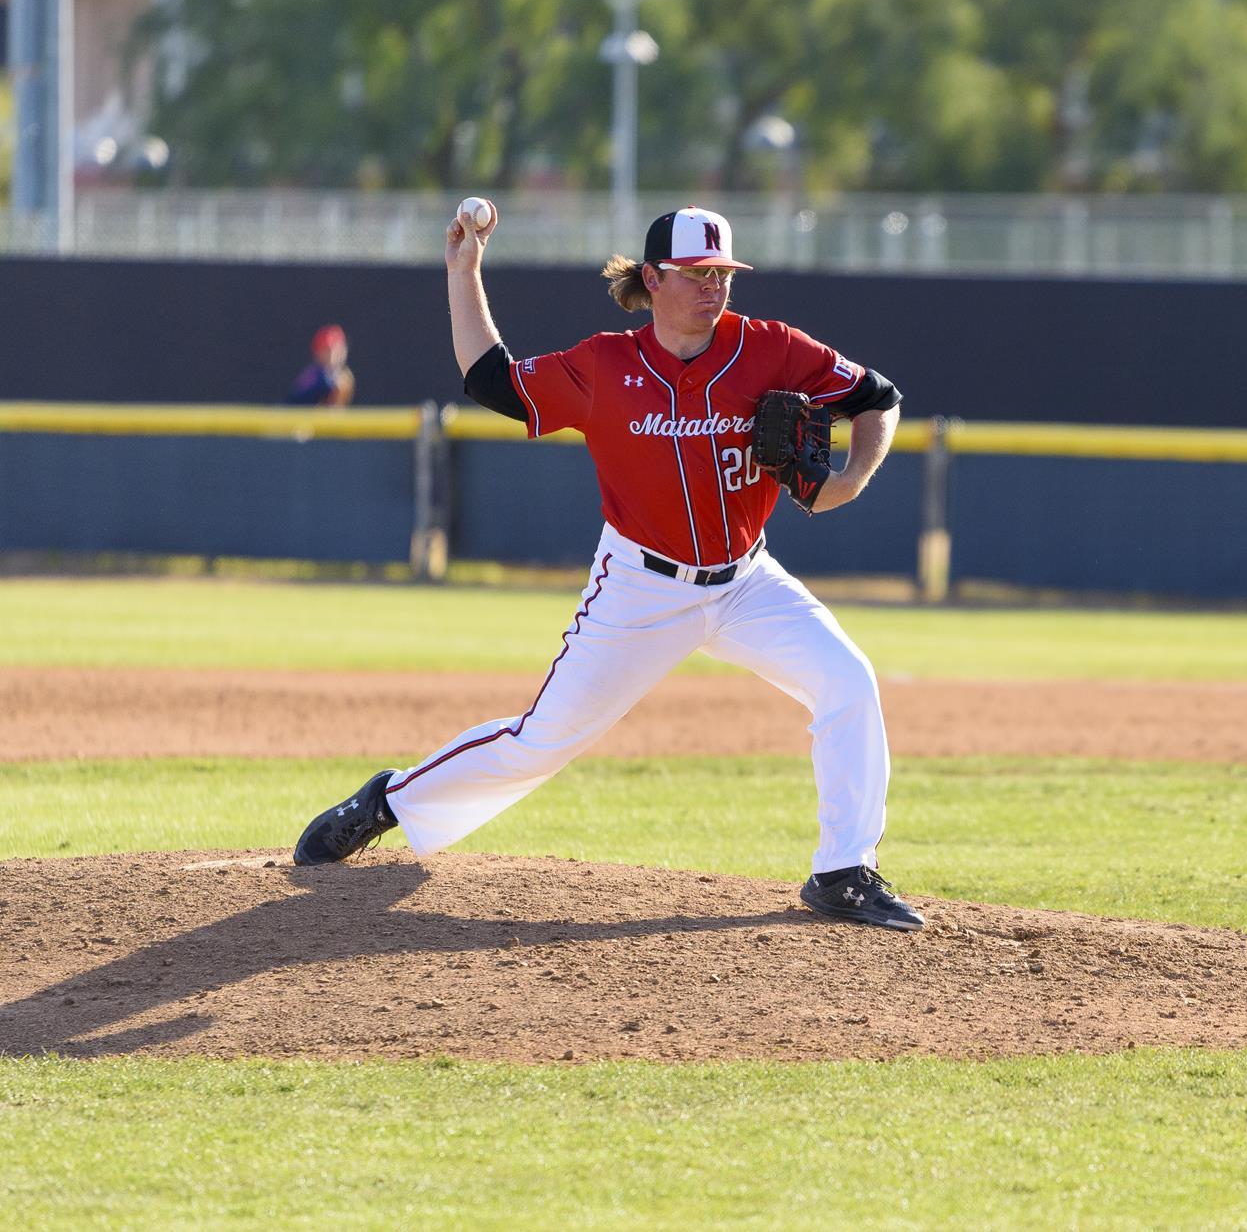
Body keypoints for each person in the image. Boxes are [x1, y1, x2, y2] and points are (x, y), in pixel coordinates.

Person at [292, 201, 924, 930]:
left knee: (847, 681)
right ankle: (387, 801)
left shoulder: (771, 347)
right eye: (695, 274)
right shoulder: (605, 365)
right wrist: (463, 272)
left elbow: (878, 398)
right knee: (540, 742)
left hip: (747, 580)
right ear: (653, 279)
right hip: (640, 587)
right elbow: (492, 381)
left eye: (723, 272)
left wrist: (850, 479)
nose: (714, 286)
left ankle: (843, 870)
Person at [283, 324, 355, 406]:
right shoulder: (315, 375)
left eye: (337, 348)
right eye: (327, 350)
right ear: (318, 353)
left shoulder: (341, 375)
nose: (333, 354)